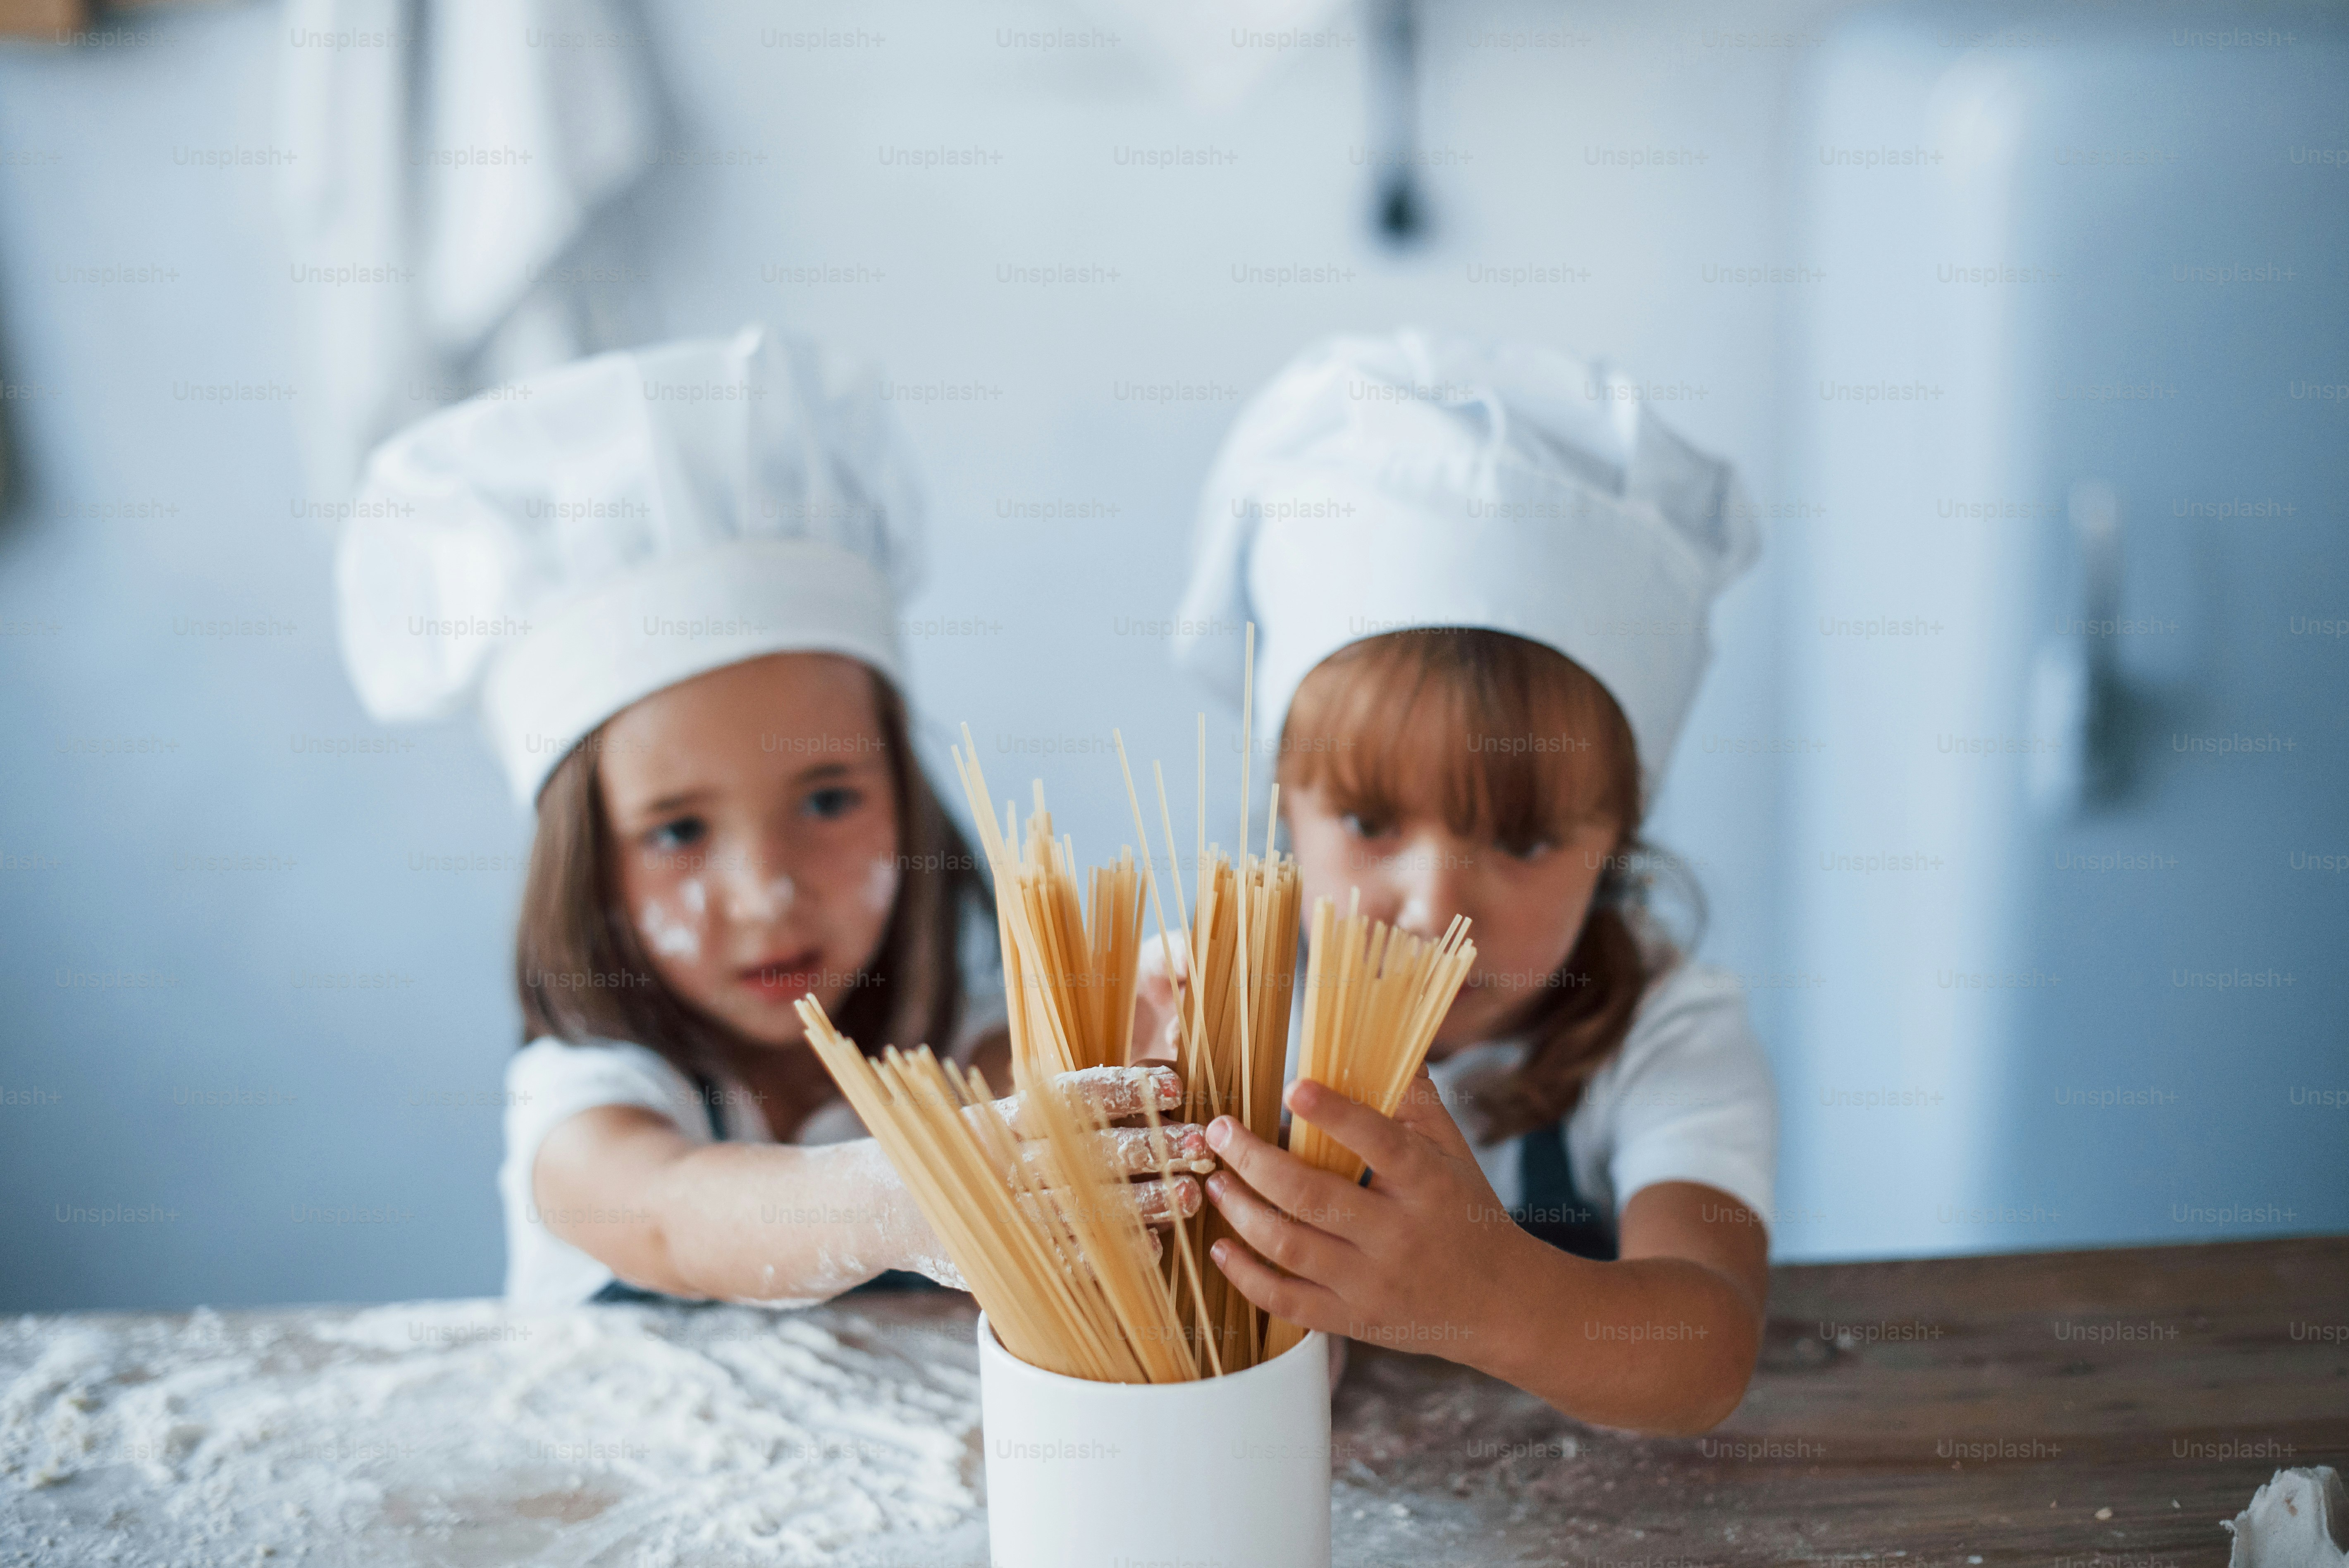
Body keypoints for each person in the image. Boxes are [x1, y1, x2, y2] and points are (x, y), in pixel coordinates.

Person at [337, 324, 1205, 1310]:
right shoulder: (591, 1102)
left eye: (829, 799)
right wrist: (917, 1191)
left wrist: (1116, 1045)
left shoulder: (955, 1038)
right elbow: (670, 1216)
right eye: (678, 830)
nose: (769, 891)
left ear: (908, 804)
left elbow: (1030, 1096)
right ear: (580, 864)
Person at [1149, 328, 1775, 1434]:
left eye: (1525, 840)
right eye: (1369, 820)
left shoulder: (1664, 1034)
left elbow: (1705, 1351)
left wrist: (1491, 1296)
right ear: (1285, 807)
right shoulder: (1215, 1007)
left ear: (1617, 839)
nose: (1436, 909)